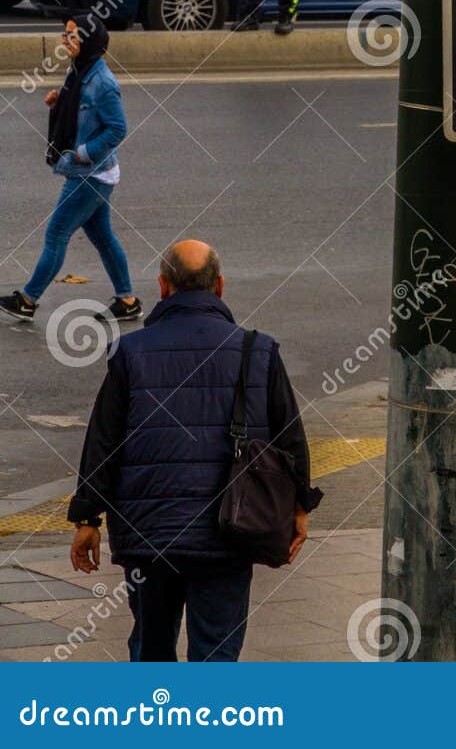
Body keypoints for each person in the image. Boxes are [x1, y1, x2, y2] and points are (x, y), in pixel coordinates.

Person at [68, 239, 321, 663]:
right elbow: (289, 437)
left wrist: (87, 519)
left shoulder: (130, 352)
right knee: (217, 652)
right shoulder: (257, 350)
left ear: (163, 286)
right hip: (232, 530)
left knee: (151, 649)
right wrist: (300, 506)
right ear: (219, 286)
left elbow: (104, 441)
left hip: (149, 534)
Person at [0, 16, 140, 324]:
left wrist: (82, 155)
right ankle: (127, 301)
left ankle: (27, 300)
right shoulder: (80, 70)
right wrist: (60, 102)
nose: (65, 41)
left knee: (57, 234)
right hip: (93, 173)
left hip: (90, 174)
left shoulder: (103, 83)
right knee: (102, 236)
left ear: (88, 41)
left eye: (71, 37)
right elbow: (81, 107)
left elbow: (117, 129)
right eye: (64, 35)